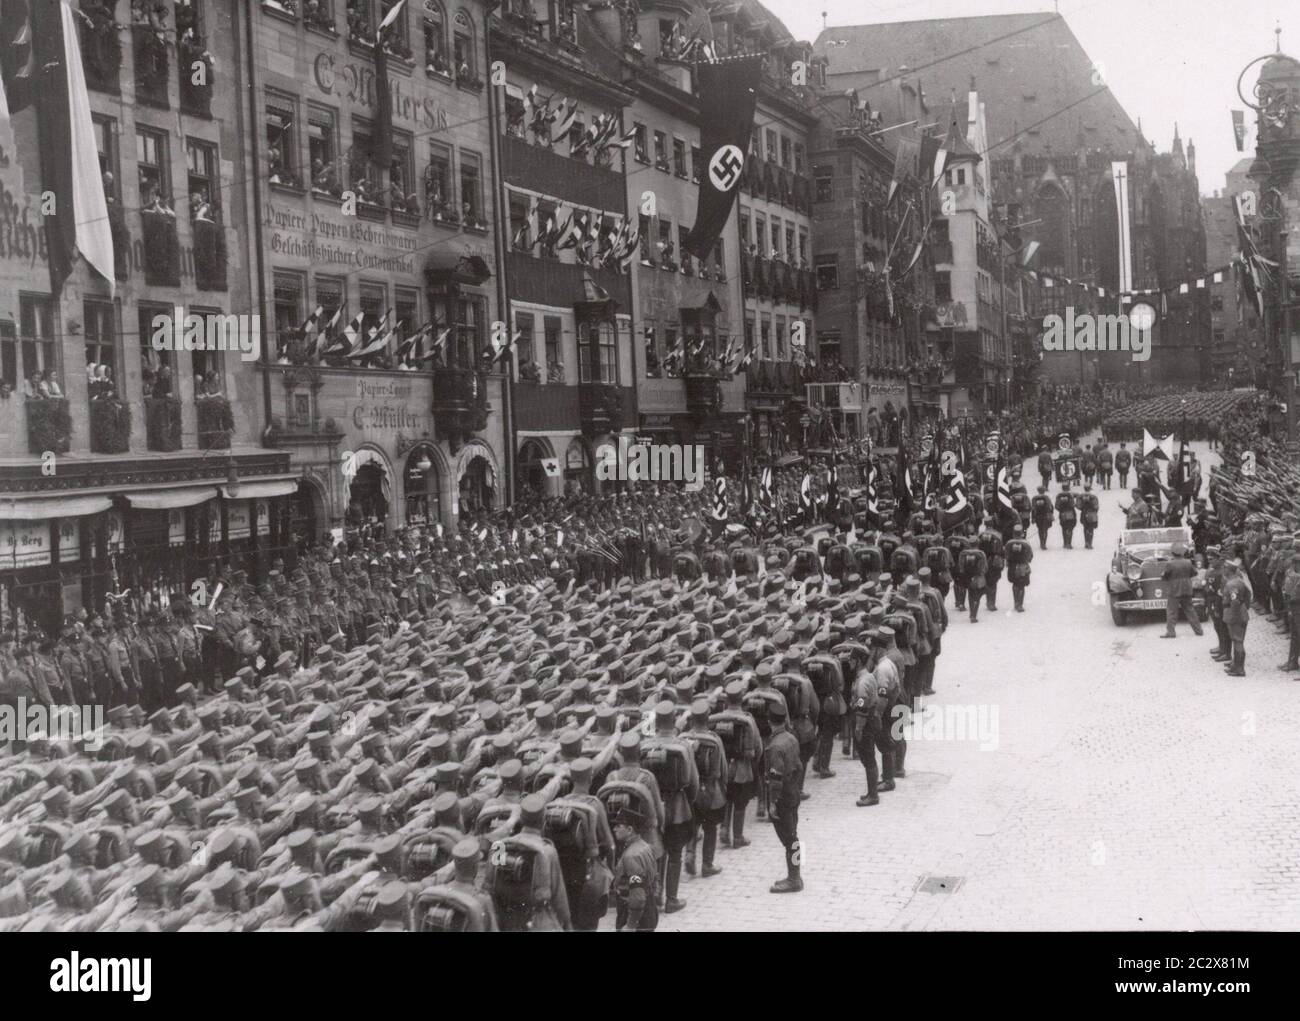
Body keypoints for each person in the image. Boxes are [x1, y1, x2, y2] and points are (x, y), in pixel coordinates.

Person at [763, 698, 803, 894]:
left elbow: (775, 778)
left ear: (770, 721)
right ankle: (795, 876)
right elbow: (799, 766)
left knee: (789, 839)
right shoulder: (791, 738)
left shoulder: (775, 747)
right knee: (793, 836)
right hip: (793, 792)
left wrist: (772, 803)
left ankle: (794, 879)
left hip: (782, 798)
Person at [611, 809, 659, 931]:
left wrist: (630, 925)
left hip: (634, 916)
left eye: (618, 826)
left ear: (630, 830)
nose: (614, 829)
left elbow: (638, 897)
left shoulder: (631, 857)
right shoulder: (645, 846)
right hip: (649, 908)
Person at [1159, 542, 1204, 639]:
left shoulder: (1170, 563)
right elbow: (1194, 573)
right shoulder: (1188, 562)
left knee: (1171, 611)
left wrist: (1164, 576)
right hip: (1187, 589)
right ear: (1182, 552)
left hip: (1174, 590)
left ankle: (1171, 632)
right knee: (1190, 610)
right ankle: (1199, 630)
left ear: (1173, 553)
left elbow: (1164, 576)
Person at [1221, 558, 1251, 676]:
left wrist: (1233, 616)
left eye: (1225, 568)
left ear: (1229, 570)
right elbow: (1248, 595)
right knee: (1237, 640)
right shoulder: (1240, 580)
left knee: (1238, 641)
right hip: (1241, 613)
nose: (1223, 570)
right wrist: (1245, 608)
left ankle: (1239, 669)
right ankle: (1235, 665)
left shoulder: (1231, 584)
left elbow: (1235, 602)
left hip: (1235, 614)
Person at [1004, 525, 1034, 612]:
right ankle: (1020, 604)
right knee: (1021, 586)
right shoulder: (1026, 543)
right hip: (1023, 567)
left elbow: (1006, 555)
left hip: (1012, 567)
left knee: (1015, 584)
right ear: (1021, 533)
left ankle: (1015, 602)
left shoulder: (1009, 543)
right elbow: (1030, 557)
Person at [1055, 481, 1077, 549]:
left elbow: (1056, 506)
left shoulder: (1059, 495)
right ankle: (1069, 543)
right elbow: (1072, 504)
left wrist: (1061, 510)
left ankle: (1065, 543)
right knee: (1070, 528)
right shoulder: (1070, 495)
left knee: (1064, 528)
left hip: (1062, 514)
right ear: (1068, 487)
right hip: (1070, 513)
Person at [1031, 485, 1054, 550]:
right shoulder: (1047, 497)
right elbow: (1051, 507)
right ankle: (1044, 543)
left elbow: (1032, 509)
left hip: (1038, 516)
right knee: (1045, 530)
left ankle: (1041, 543)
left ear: (1038, 491)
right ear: (1044, 491)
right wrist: (1051, 514)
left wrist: (1033, 518)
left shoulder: (1034, 498)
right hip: (1045, 516)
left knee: (1040, 529)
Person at [1078, 484, 1100, 550]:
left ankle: (1086, 542)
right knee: (1091, 529)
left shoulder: (1081, 496)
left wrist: (1083, 509)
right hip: (1092, 514)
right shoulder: (1094, 496)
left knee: (1085, 528)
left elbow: (1078, 506)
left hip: (1084, 513)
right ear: (1090, 488)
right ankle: (1090, 543)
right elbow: (1096, 507)